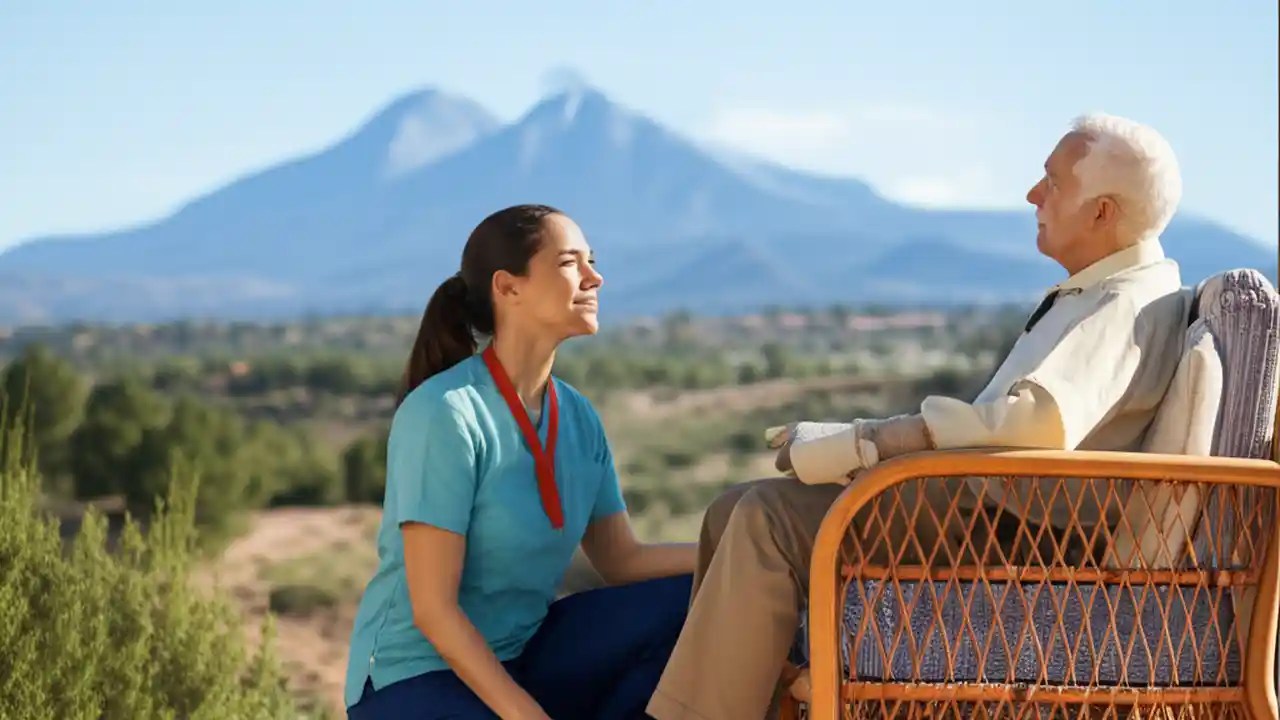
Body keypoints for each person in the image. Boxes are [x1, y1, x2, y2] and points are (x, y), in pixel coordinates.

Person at [646, 113, 1190, 720]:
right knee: (731, 510)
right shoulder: (1113, 293)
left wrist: (874, 441)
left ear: (1101, 212)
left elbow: (1037, 423)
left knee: (765, 517)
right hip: (988, 508)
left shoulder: (1123, 304)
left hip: (1013, 533)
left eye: (1053, 182)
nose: (1034, 195)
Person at [344, 204, 697, 720]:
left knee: (695, 600)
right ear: (507, 288)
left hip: (525, 655)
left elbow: (622, 560)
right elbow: (434, 612)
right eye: (570, 263)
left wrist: (733, 552)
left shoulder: (578, 417)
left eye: (591, 262)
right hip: (415, 675)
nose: (595, 278)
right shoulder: (445, 413)